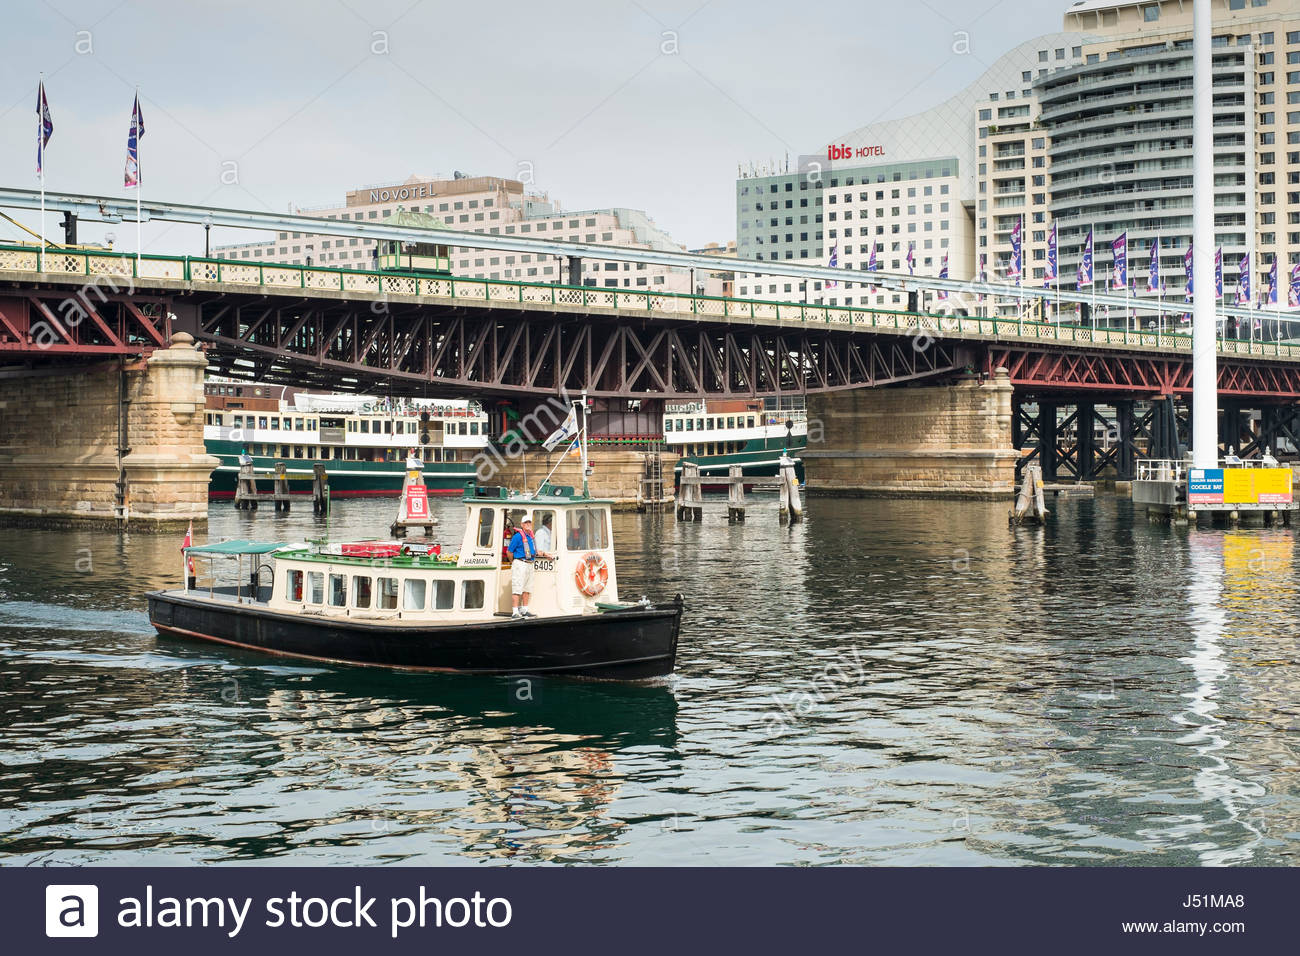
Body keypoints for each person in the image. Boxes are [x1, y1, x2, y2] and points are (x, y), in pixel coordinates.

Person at [507, 518, 538, 618]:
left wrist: (545, 554)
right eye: (526, 523)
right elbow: (509, 551)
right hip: (520, 562)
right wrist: (514, 562)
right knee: (517, 587)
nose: (528, 524)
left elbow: (534, 551)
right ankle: (515, 612)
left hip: (529, 563)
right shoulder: (517, 537)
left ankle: (524, 610)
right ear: (522, 524)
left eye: (529, 522)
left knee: (527, 588)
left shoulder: (530, 537)